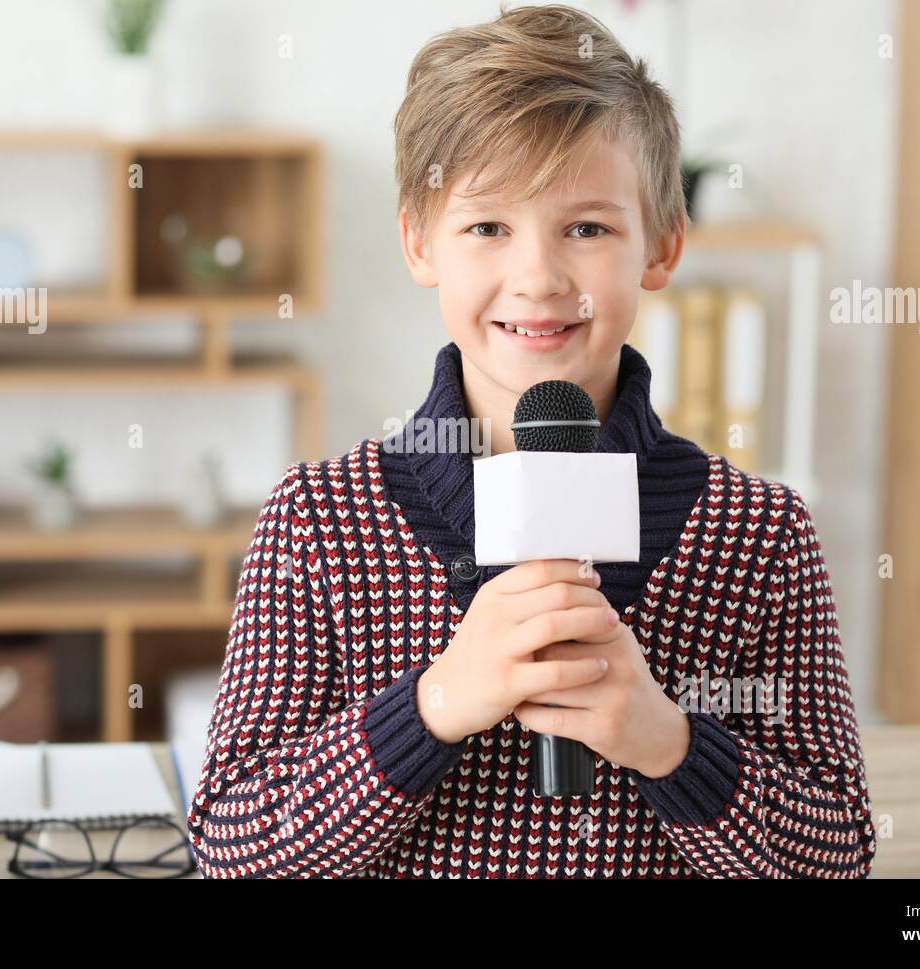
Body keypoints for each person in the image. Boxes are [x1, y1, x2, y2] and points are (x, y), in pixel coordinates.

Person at [187, 2, 876, 879]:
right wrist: (432, 706)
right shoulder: (318, 519)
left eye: (587, 228)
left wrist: (669, 742)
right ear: (418, 240)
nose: (539, 277)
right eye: (487, 227)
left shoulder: (761, 534)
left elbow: (840, 852)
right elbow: (229, 845)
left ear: (661, 247)